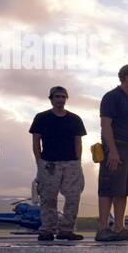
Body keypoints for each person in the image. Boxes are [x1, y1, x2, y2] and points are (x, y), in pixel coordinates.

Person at [96, 64, 128, 242]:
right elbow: (106, 125)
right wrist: (111, 151)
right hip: (116, 148)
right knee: (108, 189)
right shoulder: (112, 97)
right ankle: (103, 229)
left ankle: (119, 228)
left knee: (122, 190)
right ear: (126, 77)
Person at [30, 86, 87, 241]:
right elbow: (36, 141)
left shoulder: (74, 119)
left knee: (73, 196)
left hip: (71, 163)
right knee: (48, 197)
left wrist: (78, 161)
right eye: (57, 96)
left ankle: (67, 230)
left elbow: (78, 141)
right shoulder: (41, 118)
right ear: (51, 99)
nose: (60, 99)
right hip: (49, 163)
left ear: (66, 99)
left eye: (63, 96)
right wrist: (39, 161)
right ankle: (47, 229)